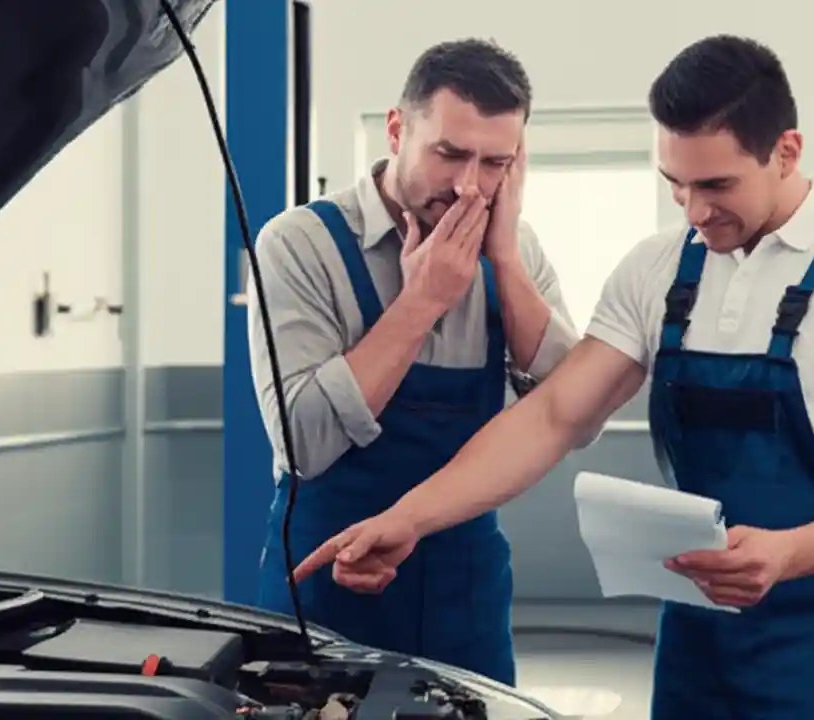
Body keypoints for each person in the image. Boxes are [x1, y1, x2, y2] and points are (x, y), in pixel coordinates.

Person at [295, 34, 814, 718]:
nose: (694, 213)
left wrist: (788, 554)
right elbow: (552, 417)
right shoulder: (659, 269)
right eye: (676, 185)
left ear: (786, 152)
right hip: (695, 648)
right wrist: (408, 518)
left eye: (716, 185)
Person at [247, 38, 589, 687]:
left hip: (466, 587)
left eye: (495, 163)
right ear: (397, 129)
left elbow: (571, 411)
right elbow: (306, 443)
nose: (468, 185)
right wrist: (421, 303)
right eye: (450, 153)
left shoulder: (515, 249)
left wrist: (508, 262)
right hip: (327, 584)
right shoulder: (298, 246)